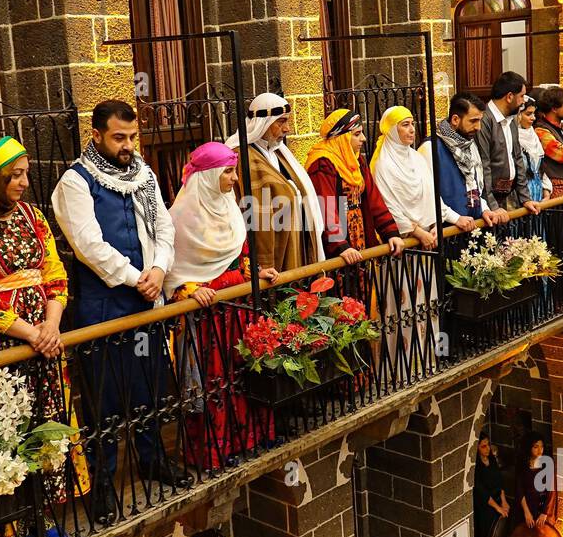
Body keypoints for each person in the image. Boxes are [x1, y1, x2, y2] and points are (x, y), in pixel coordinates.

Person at [49, 106, 185, 522]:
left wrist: (159, 269)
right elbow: (88, 245)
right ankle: (103, 483)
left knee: (146, 384)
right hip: (103, 305)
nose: (128, 146)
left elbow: (164, 227)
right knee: (103, 396)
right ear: (95, 135)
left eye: (132, 137)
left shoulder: (144, 175)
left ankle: (151, 457)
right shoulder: (75, 182)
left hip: (145, 300)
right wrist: (134, 277)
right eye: (118, 138)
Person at [164, 143, 278, 473]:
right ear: (208, 176)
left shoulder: (229, 206)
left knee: (243, 372)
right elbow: (171, 272)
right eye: (227, 172)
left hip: (237, 305)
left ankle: (251, 438)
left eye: (232, 171)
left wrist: (254, 273)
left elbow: (239, 254)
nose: (232, 178)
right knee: (215, 380)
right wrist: (188, 290)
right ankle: (214, 450)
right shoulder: (179, 217)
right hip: (207, 314)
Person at [371, 107, 441, 363]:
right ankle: (401, 364)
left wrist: (436, 224)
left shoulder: (418, 159)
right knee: (403, 304)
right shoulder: (382, 164)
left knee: (426, 303)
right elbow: (388, 205)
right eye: (404, 125)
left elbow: (432, 195)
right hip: (405, 245)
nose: (411, 129)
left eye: (412, 123)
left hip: (426, 241)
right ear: (391, 130)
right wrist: (417, 232)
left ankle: (428, 357)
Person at [225, 93, 325, 271]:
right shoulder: (244, 156)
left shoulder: (279, 151)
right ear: (262, 122)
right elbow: (255, 213)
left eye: (287, 121)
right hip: (273, 258)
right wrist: (262, 265)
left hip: (297, 241)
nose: (287, 128)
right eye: (281, 121)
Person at [305, 108, 405, 266]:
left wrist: (390, 233)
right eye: (357, 134)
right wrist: (340, 246)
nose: (364, 139)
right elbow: (325, 207)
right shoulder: (322, 163)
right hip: (338, 245)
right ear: (341, 138)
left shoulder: (357, 160)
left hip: (360, 233)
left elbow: (374, 199)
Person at [420, 94, 504, 231]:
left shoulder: (469, 143)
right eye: (473, 121)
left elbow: (474, 185)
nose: (478, 127)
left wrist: (484, 209)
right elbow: (428, 194)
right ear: (455, 119)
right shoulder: (430, 148)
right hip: (447, 231)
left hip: (473, 228)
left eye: (480, 121)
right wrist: (455, 218)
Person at [476, 71, 542, 216]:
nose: (524, 100)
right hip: (490, 201)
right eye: (521, 96)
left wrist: (525, 199)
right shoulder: (485, 120)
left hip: (509, 196)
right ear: (510, 96)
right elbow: (483, 166)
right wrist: (492, 206)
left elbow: (517, 158)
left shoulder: (511, 119)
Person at [517, 434, 559, 537]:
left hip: (543, 507)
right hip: (528, 507)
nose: (540, 450)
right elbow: (519, 489)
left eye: (541, 446)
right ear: (529, 448)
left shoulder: (548, 465)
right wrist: (526, 512)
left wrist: (545, 513)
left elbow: (552, 490)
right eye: (536, 446)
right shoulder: (523, 465)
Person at [473, 430, 509, 537]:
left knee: (498, 533)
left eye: (487, 445)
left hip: (497, 500)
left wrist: (504, 501)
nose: (487, 449)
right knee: (486, 536)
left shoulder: (492, 460)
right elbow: (481, 492)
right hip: (485, 506)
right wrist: (497, 507)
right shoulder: (477, 467)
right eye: (483, 446)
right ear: (476, 448)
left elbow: (499, 481)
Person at [514, 94, 553, 202]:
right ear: (517, 115)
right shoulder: (512, 137)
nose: (533, 118)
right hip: (519, 196)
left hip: (538, 193)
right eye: (528, 114)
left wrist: (546, 189)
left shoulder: (533, 136)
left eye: (534, 113)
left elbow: (540, 168)